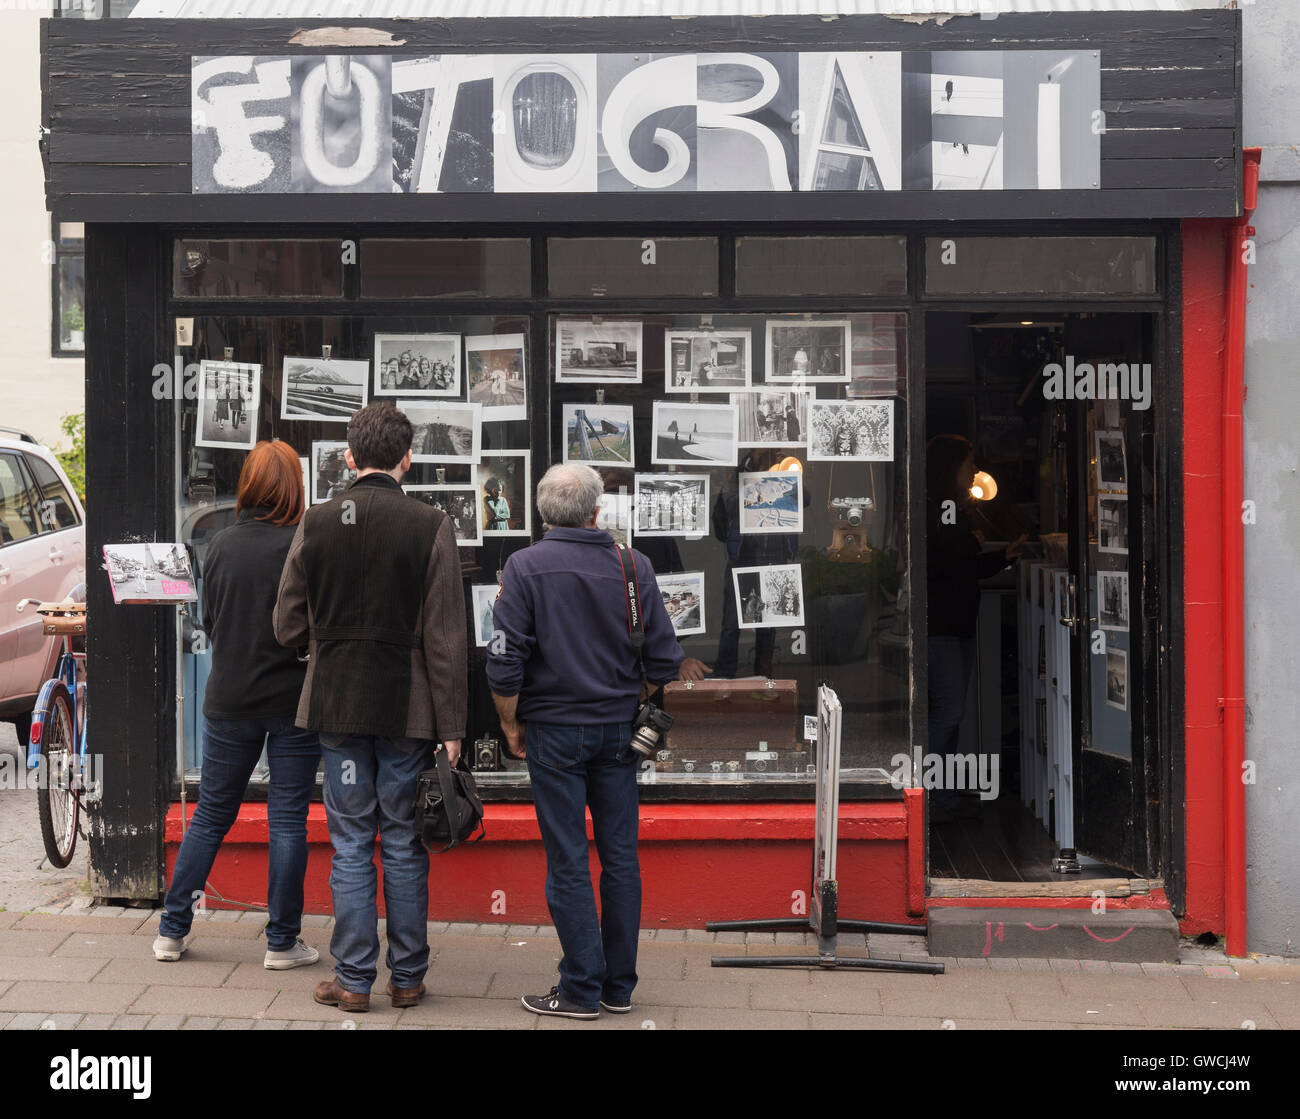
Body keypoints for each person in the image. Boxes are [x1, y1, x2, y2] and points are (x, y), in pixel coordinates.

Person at [485, 463, 705, 1020]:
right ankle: (618, 988)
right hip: (618, 734)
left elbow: (504, 662)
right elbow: (662, 661)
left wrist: (511, 726)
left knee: (567, 862)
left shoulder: (524, 566)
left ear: (541, 513)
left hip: (553, 733)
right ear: (596, 511)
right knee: (620, 859)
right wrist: (624, 695)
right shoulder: (634, 566)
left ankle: (581, 990)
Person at [274, 403, 468, 1013]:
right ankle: (407, 977)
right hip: (408, 711)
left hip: (336, 706)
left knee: (353, 840)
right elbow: (444, 640)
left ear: (350, 458)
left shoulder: (318, 520)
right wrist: (453, 727)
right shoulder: (432, 524)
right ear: (407, 458)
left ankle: (353, 979)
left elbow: (286, 625)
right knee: (403, 841)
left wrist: (326, 640)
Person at [154, 440, 320, 969]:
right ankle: (281, 943)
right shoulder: (306, 543)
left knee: (209, 818)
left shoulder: (220, 544)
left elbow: (210, 624)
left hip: (230, 695)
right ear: (295, 486)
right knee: (289, 820)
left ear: (249, 484)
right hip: (294, 698)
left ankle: (171, 931)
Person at [925, 433, 1025, 821]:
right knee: (947, 713)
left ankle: (942, 796)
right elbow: (941, 559)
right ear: (951, 468)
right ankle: (932, 796)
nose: (975, 473)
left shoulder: (954, 510)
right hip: (943, 626)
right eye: (969, 465)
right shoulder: (940, 509)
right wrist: (970, 543)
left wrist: (1001, 556)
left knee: (949, 714)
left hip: (956, 624)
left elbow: (963, 564)